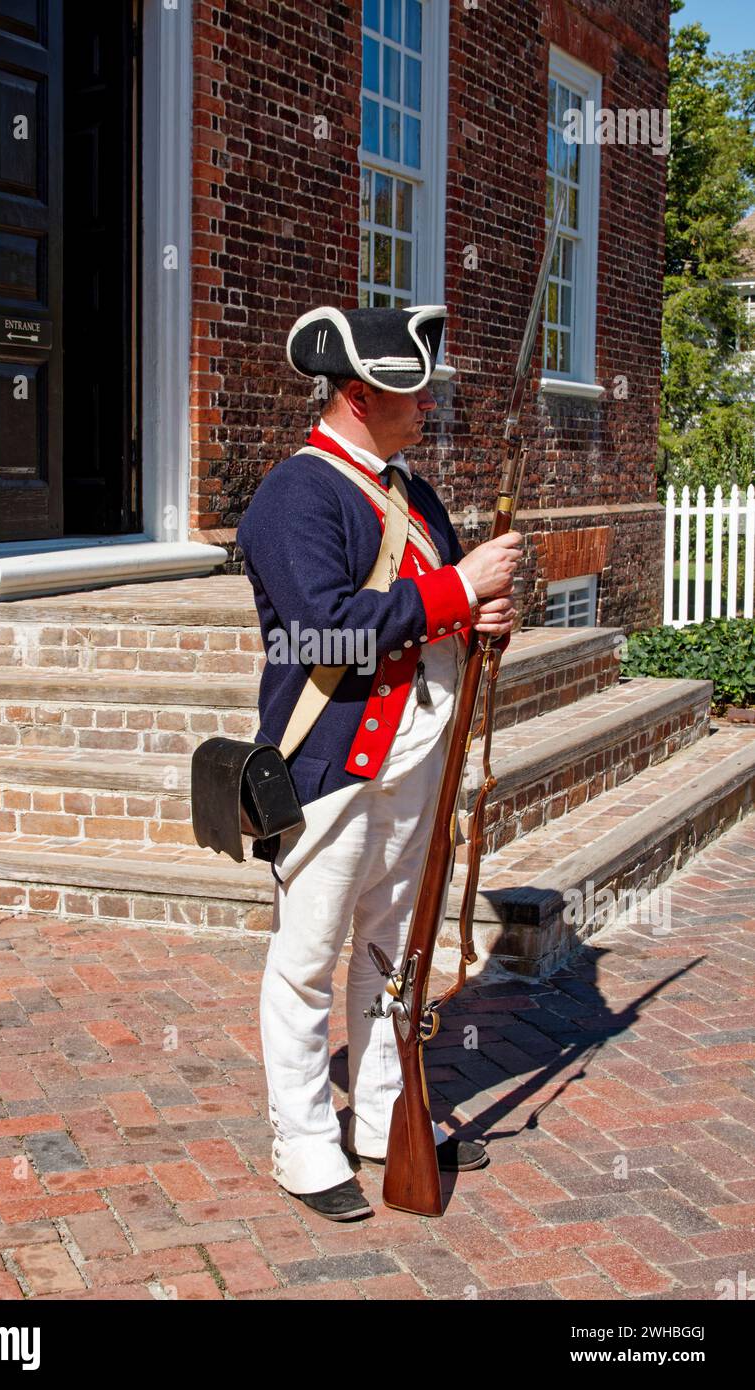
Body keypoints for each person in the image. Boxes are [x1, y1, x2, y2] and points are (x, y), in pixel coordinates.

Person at [236, 305, 522, 1221]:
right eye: (410, 391)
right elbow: (326, 626)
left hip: (415, 758)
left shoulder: (412, 493)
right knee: (308, 958)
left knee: (392, 952)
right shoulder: (296, 494)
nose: (427, 403)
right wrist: (456, 588)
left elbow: (433, 611)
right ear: (359, 396)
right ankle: (305, 1139)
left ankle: (385, 1116)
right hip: (332, 762)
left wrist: (482, 621)